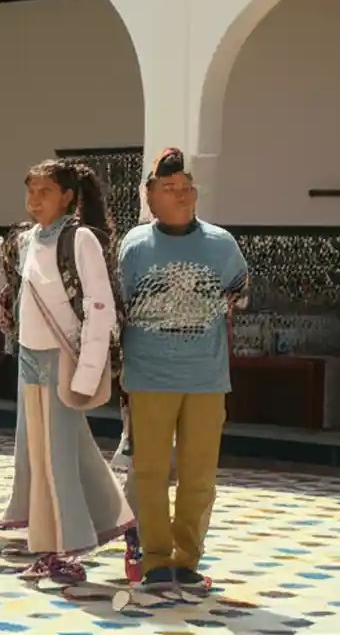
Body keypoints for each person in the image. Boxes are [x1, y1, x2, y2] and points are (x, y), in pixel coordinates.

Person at [0, 159, 134, 582]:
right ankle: (110, 520)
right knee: (38, 455)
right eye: (31, 191)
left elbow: (99, 306)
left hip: (62, 359)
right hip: (30, 358)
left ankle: (64, 549)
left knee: (56, 458)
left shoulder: (81, 240)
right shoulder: (23, 240)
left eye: (46, 192)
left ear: (68, 196)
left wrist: (88, 372)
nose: (36, 200)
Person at [119, 147, 249, 589]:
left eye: (186, 188)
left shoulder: (221, 244)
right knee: (151, 474)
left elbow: (240, 295)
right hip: (148, 377)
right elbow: (118, 307)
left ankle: (187, 559)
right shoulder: (133, 246)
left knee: (199, 477)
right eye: (169, 188)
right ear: (150, 195)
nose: (180, 195)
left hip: (206, 379)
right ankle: (156, 561)